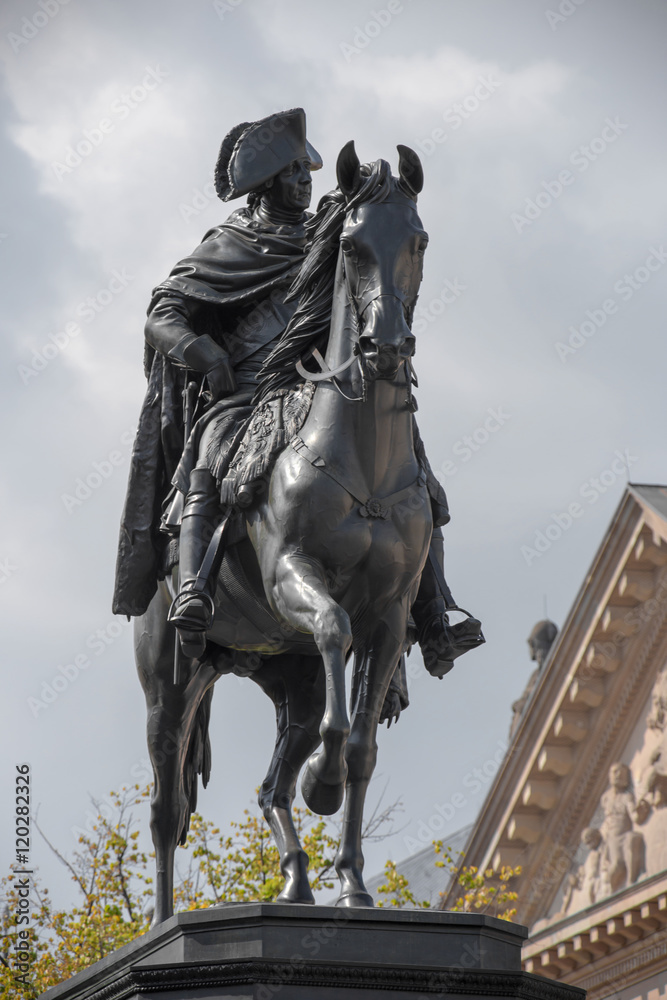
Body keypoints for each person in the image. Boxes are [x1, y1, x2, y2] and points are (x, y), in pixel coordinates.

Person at [113, 108, 479, 676]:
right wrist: (206, 355)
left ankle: (432, 611)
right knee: (210, 450)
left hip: (324, 384)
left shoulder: (325, 234)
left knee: (412, 461)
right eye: (293, 172)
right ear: (266, 184)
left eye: (308, 170)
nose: (306, 181)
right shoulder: (232, 243)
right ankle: (193, 585)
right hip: (249, 391)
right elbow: (164, 313)